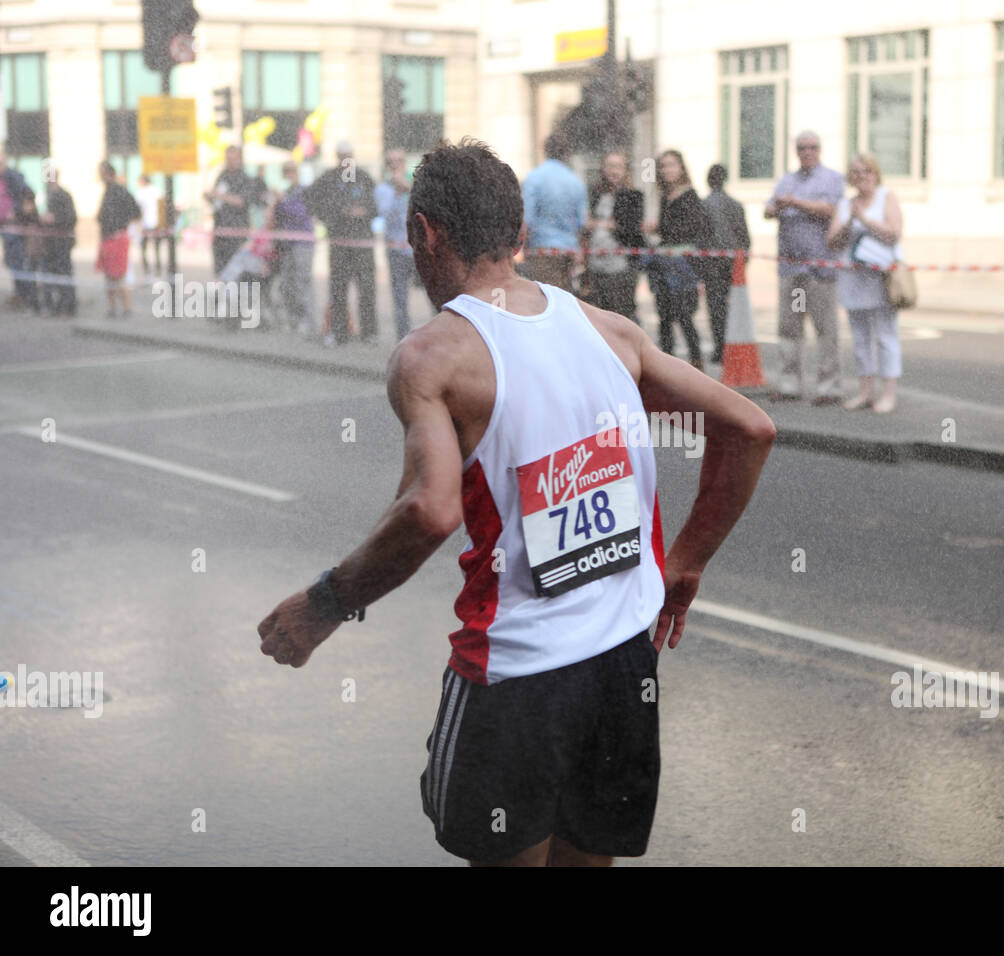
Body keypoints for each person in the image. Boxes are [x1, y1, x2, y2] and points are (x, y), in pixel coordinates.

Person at [257, 137, 776, 868]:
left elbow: (430, 511)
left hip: (519, 676)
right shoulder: (611, 333)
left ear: (425, 234)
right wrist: (684, 564)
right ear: (521, 235)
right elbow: (750, 427)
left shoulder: (432, 356)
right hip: (625, 669)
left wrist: (324, 604)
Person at [764, 130, 844, 403]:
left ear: (819, 149)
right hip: (790, 269)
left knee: (825, 331)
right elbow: (767, 210)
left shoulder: (831, 178)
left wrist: (794, 202)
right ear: (796, 151)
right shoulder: (787, 179)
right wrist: (778, 206)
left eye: (811, 147)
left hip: (819, 270)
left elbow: (831, 210)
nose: (806, 151)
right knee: (789, 329)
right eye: (801, 147)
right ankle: (789, 385)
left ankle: (829, 387)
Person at [826, 153, 905, 413]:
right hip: (852, 277)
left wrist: (866, 220)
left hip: (880, 278)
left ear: (876, 173)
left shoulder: (886, 197)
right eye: (856, 173)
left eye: (866, 172)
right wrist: (851, 220)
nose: (862, 177)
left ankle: (889, 393)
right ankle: (866, 392)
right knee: (860, 337)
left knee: (885, 335)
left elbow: (894, 234)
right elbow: (832, 242)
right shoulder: (845, 204)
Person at [305, 140, 379, 346]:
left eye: (348, 156)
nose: (346, 160)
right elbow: (309, 198)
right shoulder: (328, 178)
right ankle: (339, 333)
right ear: (337, 157)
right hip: (339, 243)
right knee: (338, 289)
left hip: (362, 242)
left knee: (366, 289)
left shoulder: (363, 177)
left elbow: (376, 206)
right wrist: (332, 216)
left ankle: (369, 333)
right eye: (342, 156)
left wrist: (364, 213)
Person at [646, 150, 711, 370]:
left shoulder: (690, 196)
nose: (667, 170)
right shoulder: (665, 197)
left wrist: (660, 228)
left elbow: (690, 229)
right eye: (663, 166)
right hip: (664, 263)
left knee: (684, 316)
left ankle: (696, 363)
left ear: (681, 167)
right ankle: (667, 365)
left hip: (683, 265)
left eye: (672, 165)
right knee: (664, 317)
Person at [582, 151, 645, 324]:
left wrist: (602, 224)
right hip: (596, 263)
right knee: (601, 314)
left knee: (622, 313)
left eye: (618, 166)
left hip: (621, 264)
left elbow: (630, 228)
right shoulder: (595, 194)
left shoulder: (633, 195)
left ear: (626, 170)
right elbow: (586, 224)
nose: (613, 171)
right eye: (610, 166)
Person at [520, 130, 586, 292]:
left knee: (544, 299)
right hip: (568, 251)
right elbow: (581, 222)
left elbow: (526, 218)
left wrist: (522, 246)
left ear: (545, 150)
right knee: (565, 298)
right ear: (567, 152)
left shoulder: (534, 178)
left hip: (541, 249)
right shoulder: (575, 181)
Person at [700, 163, 750, 364]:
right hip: (731, 262)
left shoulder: (704, 205)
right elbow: (744, 237)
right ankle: (732, 345)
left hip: (712, 262)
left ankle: (720, 346)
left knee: (716, 306)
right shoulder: (735, 205)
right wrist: (743, 261)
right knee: (733, 306)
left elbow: (702, 236)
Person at [268, 160, 317, 336]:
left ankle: (308, 320)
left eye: (291, 171)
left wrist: (282, 202)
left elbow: (300, 214)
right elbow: (277, 217)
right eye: (285, 171)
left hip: (302, 243)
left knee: (302, 281)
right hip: (286, 243)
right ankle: (293, 319)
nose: (288, 174)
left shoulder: (304, 192)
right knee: (288, 283)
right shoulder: (285, 192)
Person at [374, 148, 415, 340]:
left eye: (399, 161)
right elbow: (385, 216)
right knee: (400, 296)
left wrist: (408, 189)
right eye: (391, 162)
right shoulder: (383, 189)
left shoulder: (416, 185)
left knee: (433, 294)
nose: (395, 165)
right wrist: (398, 195)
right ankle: (404, 336)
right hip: (396, 249)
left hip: (418, 249)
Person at [205, 146, 264, 278]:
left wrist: (220, 196)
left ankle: (237, 296)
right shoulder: (222, 176)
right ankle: (224, 296)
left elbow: (242, 201)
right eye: (227, 158)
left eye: (232, 158)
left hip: (237, 233)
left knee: (236, 271)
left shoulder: (245, 179)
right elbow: (217, 201)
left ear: (239, 159)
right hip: (220, 231)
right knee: (221, 271)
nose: (229, 161)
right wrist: (210, 197)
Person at [95, 160, 141, 319]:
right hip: (107, 238)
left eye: (101, 172)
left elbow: (135, 212)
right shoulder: (108, 191)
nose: (99, 176)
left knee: (119, 274)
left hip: (117, 237)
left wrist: (127, 229)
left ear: (108, 173)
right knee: (109, 275)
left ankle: (126, 307)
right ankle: (112, 307)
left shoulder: (120, 191)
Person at [41, 165, 78, 317]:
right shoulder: (48, 195)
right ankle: (56, 305)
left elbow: (71, 218)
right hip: (51, 242)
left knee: (64, 273)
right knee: (53, 273)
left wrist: (55, 219)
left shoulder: (64, 195)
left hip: (62, 242)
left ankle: (68, 305)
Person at [0, 144, 31, 306]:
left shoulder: (12, 176)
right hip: (4, 226)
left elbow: (26, 195)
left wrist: (16, 211)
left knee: (17, 260)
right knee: (11, 260)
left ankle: (25, 293)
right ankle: (19, 292)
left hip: (13, 226)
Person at [134, 174, 163, 275]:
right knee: (157, 248)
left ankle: (147, 271)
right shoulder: (158, 191)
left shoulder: (140, 193)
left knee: (144, 249)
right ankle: (158, 269)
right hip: (156, 223)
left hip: (145, 223)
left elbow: (137, 209)